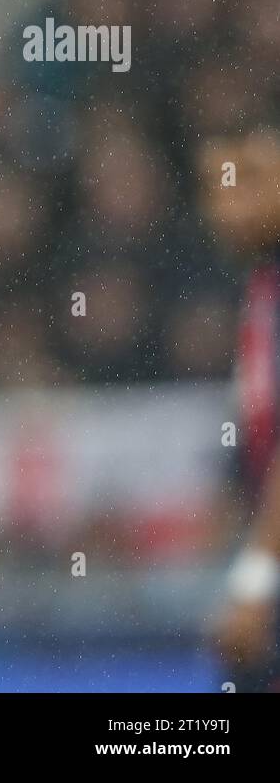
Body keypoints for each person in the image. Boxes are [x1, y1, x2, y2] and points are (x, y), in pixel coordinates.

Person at [200, 129, 280, 691]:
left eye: (247, 180)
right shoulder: (260, 284)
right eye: (214, 185)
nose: (226, 202)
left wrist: (254, 580)